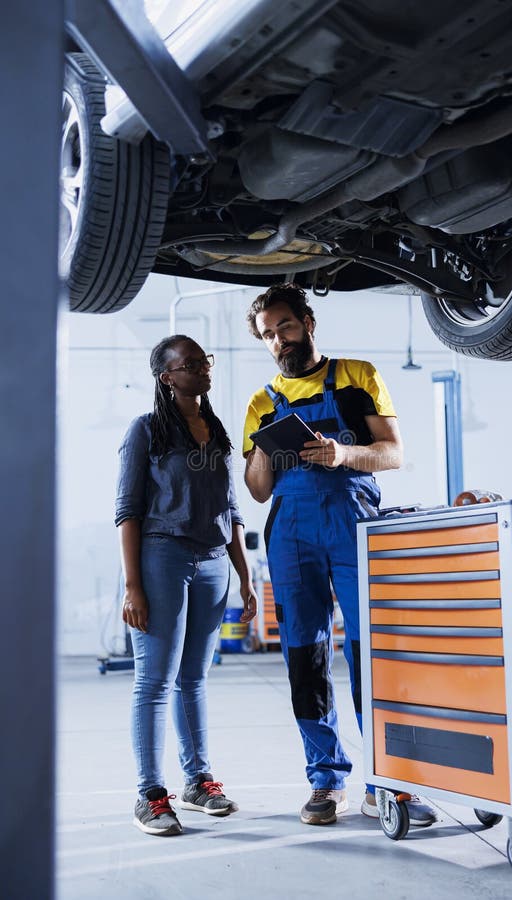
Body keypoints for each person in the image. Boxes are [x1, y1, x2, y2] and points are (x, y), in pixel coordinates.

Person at [243, 283, 436, 828]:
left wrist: (343, 452)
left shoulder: (358, 376)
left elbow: (394, 454)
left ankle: (388, 781)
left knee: (373, 652)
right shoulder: (261, 401)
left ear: (307, 321)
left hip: (353, 521)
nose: (278, 340)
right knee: (304, 656)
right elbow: (257, 489)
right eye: (267, 335)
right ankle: (325, 780)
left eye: (285, 326)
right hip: (291, 529)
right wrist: (263, 445)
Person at [116, 334, 258, 837]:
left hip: (215, 561)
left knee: (194, 678)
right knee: (154, 681)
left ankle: (198, 781)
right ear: (167, 377)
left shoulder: (216, 431)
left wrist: (245, 576)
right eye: (191, 363)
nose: (203, 368)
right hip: (163, 557)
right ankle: (151, 795)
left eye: (206, 360)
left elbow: (233, 509)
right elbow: (127, 511)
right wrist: (133, 586)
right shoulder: (147, 431)